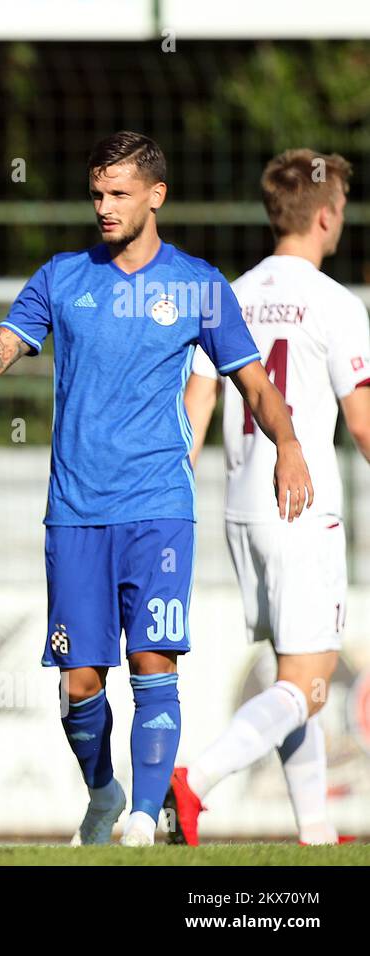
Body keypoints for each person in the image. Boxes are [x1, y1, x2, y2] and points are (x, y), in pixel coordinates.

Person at [0, 131, 313, 846]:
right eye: (97, 194)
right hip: (76, 514)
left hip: (158, 508)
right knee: (80, 682)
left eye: (118, 193)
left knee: (153, 659)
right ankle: (106, 793)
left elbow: (255, 384)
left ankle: (146, 817)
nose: (104, 207)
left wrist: (290, 445)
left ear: (156, 195)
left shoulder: (199, 284)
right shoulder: (61, 277)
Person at [171, 149, 368, 846]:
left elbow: (194, 409)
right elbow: (364, 424)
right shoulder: (336, 305)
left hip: (240, 510)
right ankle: (194, 782)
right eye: (341, 208)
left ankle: (314, 833)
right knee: (310, 682)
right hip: (304, 508)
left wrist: (171, 494)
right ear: (324, 215)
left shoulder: (229, 295)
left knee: (294, 672)